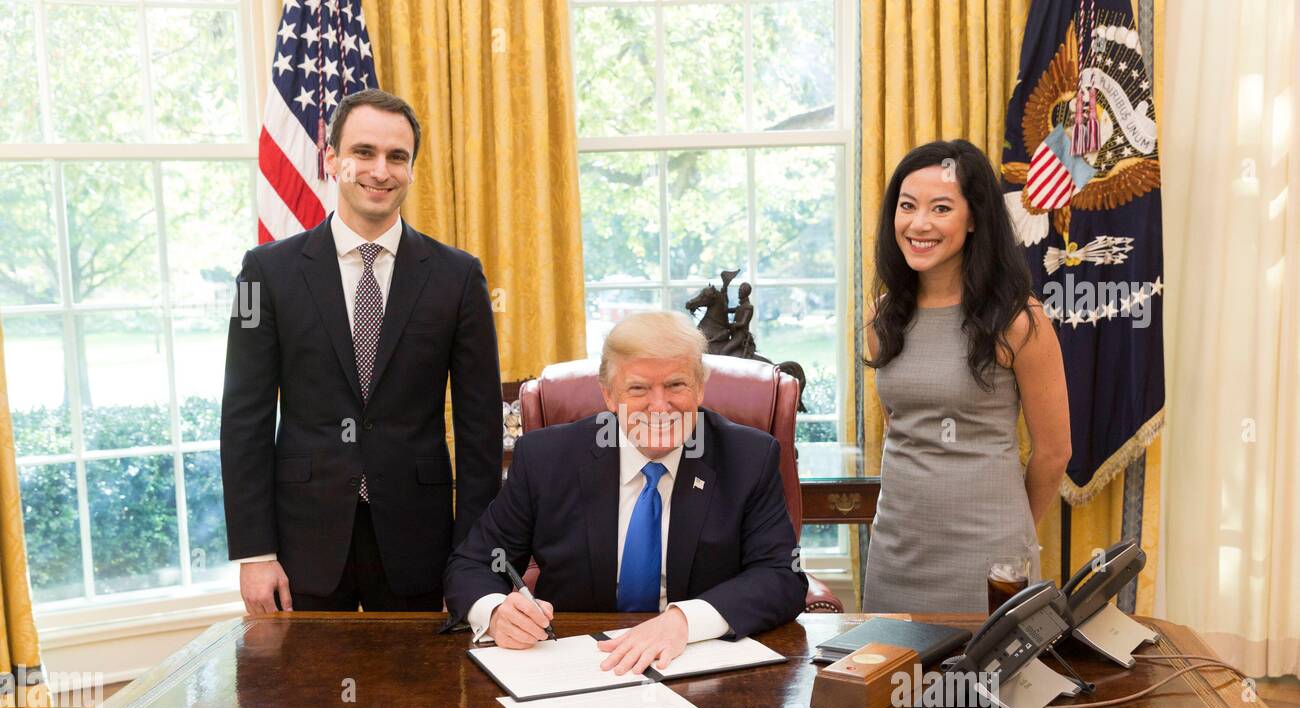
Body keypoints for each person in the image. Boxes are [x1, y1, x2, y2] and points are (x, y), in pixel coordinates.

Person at [222, 89, 503, 612]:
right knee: (306, 693)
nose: (381, 170)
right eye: (364, 152)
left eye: (397, 157)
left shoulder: (458, 277)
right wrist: (255, 552)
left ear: (412, 168)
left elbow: (480, 429)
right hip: (302, 542)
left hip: (421, 543)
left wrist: (473, 557)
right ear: (332, 159)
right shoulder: (265, 273)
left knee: (418, 694)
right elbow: (244, 420)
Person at [443, 310, 807, 675]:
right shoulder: (546, 458)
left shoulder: (748, 458)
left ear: (700, 388)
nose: (659, 406)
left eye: (676, 385)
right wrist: (493, 611)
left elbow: (781, 576)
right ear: (608, 395)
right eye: (638, 389)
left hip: (697, 664)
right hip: (577, 666)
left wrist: (684, 620)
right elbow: (475, 562)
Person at [862, 139, 1071, 613]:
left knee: (986, 688)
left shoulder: (1019, 319)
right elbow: (901, 426)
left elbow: (1055, 451)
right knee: (894, 684)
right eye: (907, 206)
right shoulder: (881, 318)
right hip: (896, 552)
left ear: (974, 218)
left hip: (988, 556)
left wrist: (1013, 532)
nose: (919, 224)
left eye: (941, 208)